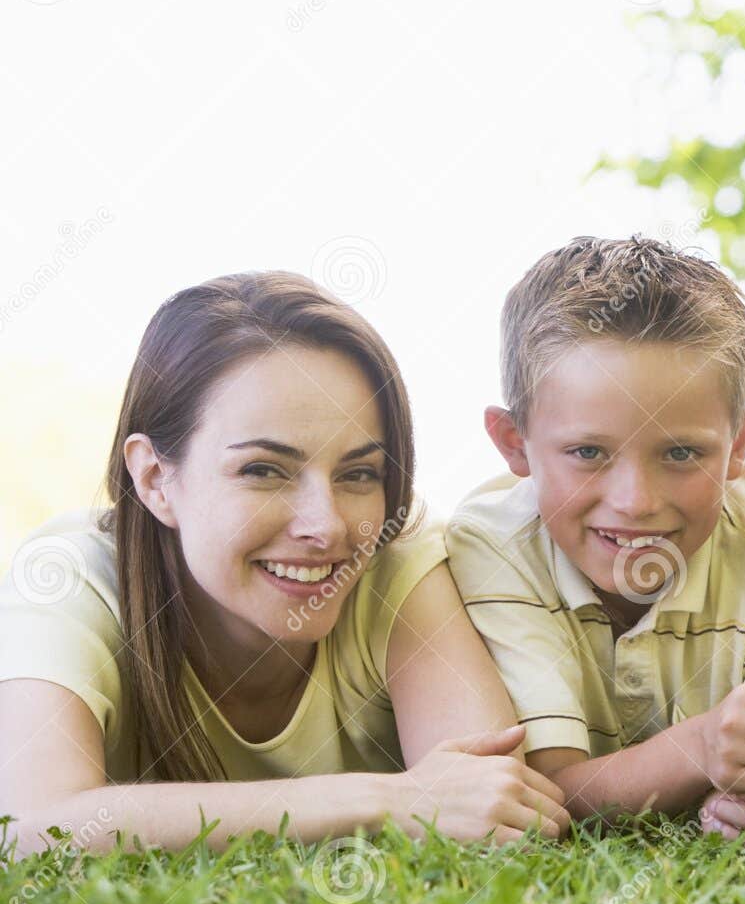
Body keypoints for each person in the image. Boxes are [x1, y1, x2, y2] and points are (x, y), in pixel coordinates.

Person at [0, 272, 569, 858]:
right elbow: (32, 830)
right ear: (154, 479)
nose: (325, 527)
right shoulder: (71, 580)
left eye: (358, 474)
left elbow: (494, 807)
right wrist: (392, 800)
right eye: (263, 471)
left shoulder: (398, 558)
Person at [446, 236, 745, 843]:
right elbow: (545, 792)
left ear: (739, 444)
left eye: (681, 452)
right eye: (588, 452)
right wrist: (699, 748)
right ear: (513, 442)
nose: (636, 501)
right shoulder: (491, 543)